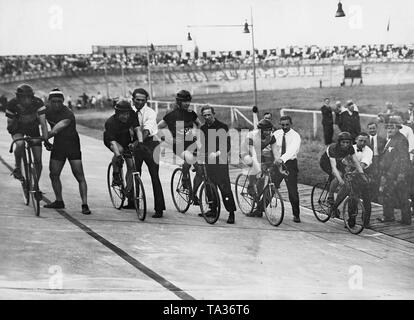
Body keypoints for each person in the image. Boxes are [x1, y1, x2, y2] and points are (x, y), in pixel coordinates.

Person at [43, 89, 91, 214]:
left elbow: (54, 131)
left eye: (59, 101)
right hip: (59, 144)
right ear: (49, 101)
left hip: (72, 144)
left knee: (79, 175)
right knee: (53, 174)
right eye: (54, 102)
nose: (57, 104)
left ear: (63, 101)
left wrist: (42, 139)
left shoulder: (68, 113)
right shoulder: (46, 110)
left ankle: (85, 204)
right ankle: (59, 201)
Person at [158, 89, 201, 201]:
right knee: (191, 160)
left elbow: (199, 125)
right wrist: (167, 140)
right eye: (184, 101)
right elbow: (157, 128)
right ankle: (185, 177)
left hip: (192, 144)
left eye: (189, 101)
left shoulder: (191, 113)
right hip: (179, 146)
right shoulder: (171, 115)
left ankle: (193, 193)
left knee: (201, 171)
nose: (187, 104)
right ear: (178, 102)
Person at [198, 106, 236, 224]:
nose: (207, 117)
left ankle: (231, 213)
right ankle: (212, 210)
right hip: (209, 162)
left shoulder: (222, 127)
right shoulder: (203, 128)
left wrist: (216, 153)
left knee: (225, 188)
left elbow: (227, 146)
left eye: (209, 114)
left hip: (220, 162)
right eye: (205, 115)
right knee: (209, 186)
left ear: (214, 114)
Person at [131, 88, 166, 218]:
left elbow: (146, 130)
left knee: (154, 176)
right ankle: (132, 201)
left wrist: (137, 142)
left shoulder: (150, 112)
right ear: (132, 99)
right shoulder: (129, 112)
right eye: (137, 100)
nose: (140, 102)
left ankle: (159, 208)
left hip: (151, 144)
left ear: (146, 101)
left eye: (143, 100)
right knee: (135, 173)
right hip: (135, 144)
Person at [6, 84, 49, 182]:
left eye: (28, 97)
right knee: (20, 143)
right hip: (17, 127)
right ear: (18, 97)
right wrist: (17, 121)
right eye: (23, 97)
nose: (26, 100)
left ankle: (36, 185)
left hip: (33, 127)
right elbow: (10, 126)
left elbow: (43, 123)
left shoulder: (38, 102)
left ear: (32, 96)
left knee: (38, 160)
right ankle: (17, 167)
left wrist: (45, 139)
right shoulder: (12, 104)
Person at [103, 99, 141, 209]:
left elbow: (138, 130)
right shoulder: (110, 123)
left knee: (131, 166)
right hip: (112, 140)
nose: (125, 117)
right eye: (122, 114)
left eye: (127, 114)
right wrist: (118, 156)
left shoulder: (132, 115)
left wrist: (140, 142)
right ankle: (116, 175)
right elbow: (113, 143)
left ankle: (127, 190)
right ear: (117, 113)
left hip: (125, 137)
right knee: (119, 151)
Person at [319, 131, 364, 216]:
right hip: (326, 162)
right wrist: (340, 180)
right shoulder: (333, 148)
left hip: (338, 161)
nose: (346, 145)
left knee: (347, 177)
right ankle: (330, 196)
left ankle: (335, 206)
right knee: (338, 175)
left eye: (348, 142)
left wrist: (362, 174)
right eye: (343, 142)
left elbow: (356, 162)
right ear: (339, 142)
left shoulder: (350, 148)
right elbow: (334, 168)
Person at [377, 117, 411, 225]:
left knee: (403, 195)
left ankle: (406, 220)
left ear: (398, 128)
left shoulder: (401, 140)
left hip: (398, 174)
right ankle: (388, 216)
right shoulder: (391, 139)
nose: (389, 130)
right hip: (389, 173)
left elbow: (404, 158)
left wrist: (401, 173)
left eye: (392, 128)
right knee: (388, 194)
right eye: (388, 128)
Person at [240, 119, 276, 218]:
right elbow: (253, 154)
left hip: (259, 152)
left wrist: (278, 161)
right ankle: (250, 187)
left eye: (270, 130)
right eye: (266, 130)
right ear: (260, 130)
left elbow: (275, 151)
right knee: (254, 166)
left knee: (264, 174)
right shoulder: (251, 135)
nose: (268, 132)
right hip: (247, 152)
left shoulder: (271, 136)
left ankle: (258, 193)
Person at [269, 116, 302, 222]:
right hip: (277, 164)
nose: (285, 127)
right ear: (280, 124)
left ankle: (296, 215)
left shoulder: (295, 136)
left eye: (287, 124)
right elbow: (271, 147)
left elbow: (292, 150)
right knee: (271, 187)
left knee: (292, 190)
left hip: (290, 164)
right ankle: (260, 209)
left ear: (291, 124)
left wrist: (281, 159)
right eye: (282, 125)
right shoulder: (276, 134)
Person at [349, 132, 373, 227]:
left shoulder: (369, 151)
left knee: (366, 198)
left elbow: (362, 165)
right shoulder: (351, 148)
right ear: (355, 140)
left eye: (365, 141)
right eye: (360, 140)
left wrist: (352, 172)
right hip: (352, 173)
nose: (362, 143)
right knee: (352, 198)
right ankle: (351, 221)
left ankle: (366, 222)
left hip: (364, 174)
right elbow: (345, 161)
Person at [366, 122, 387, 203]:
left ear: (376, 128)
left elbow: (384, 152)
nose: (372, 130)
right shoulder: (365, 139)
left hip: (377, 160)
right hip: (368, 160)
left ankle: (375, 198)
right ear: (368, 129)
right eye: (370, 128)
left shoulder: (382, 139)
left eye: (373, 128)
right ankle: (367, 197)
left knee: (377, 178)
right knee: (368, 178)